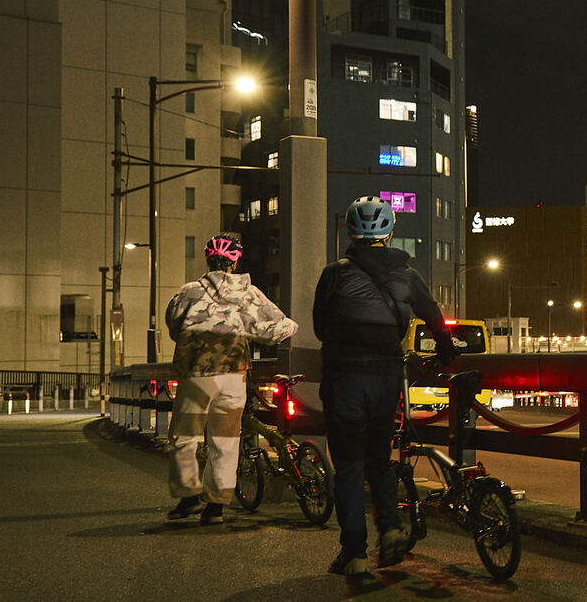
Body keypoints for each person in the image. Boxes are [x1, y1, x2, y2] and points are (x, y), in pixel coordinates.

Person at [313, 196, 458, 576]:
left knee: (348, 465)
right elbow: (435, 320)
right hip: (386, 377)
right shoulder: (408, 276)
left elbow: (318, 326)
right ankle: (391, 528)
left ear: (349, 232)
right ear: (390, 233)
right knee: (379, 459)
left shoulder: (334, 273)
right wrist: (445, 351)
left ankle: (355, 553)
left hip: (344, 377)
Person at [163, 234, 298, 524]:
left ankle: (188, 496)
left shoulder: (189, 291)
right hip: (234, 375)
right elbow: (279, 327)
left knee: (183, 438)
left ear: (208, 260)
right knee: (225, 441)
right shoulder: (249, 293)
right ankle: (216, 507)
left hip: (197, 374)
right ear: (236, 262)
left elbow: (174, 325)